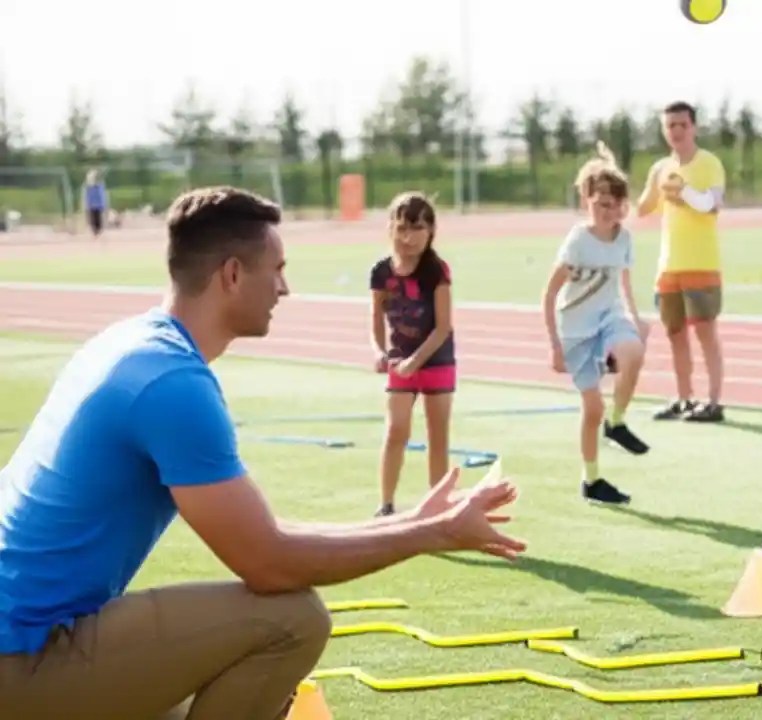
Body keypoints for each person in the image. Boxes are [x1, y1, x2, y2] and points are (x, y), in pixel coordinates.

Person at [0, 186, 525, 720]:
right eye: (276, 269)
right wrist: (433, 534)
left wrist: (414, 518)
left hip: (28, 639)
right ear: (232, 275)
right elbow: (269, 564)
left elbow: (266, 536)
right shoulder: (171, 382)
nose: (285, 287)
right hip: (22, 658)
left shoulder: (131, 342)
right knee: (294, 618)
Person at [542, 142, 650, 506]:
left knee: (633, 349)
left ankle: (617, 423)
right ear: (588, 201)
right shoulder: (578, 242)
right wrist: (555, 345)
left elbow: (625, 283)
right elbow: (549, 294)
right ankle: (591, 479)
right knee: (592, 409)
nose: (609, 212)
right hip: (574, 329)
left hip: (609, 318)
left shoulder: (624, 239)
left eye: (616, 205)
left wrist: (636, 318)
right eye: (601, 204)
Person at [635, 101, 728, 423]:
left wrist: (685, 191)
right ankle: (684, 398)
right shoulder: (660, 168)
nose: (675, 131)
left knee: (705, 332)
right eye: (670, 126)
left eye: (681, 125)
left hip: (701, 262)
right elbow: (643, 207)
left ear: (694, 128)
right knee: (675, 334)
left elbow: (711, 205)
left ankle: (714, 401)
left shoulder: (708, 163)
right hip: (668, 264)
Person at [369, 191, 457, 516]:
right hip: (399, 361)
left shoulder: (436, 270)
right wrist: (379, 351)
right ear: (391, 228)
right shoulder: (381, 272)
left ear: (431, 231)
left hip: (435, 359)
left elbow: (443, 326)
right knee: (396, 430)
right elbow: (376, 319)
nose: (409, 237)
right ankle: (386, 504)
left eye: (418, 228)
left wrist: (415, 362)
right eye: (402, 228)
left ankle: (437, 508)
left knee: (437, 435)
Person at [83, 169, 109, 237]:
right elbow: (88, 183)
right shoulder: (89, 187)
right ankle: (95, 232)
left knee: (97, 219)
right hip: (92, 205)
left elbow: (102, 194)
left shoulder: (99, 187)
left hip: (97, 205)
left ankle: (97, 231)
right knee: (93, 219)